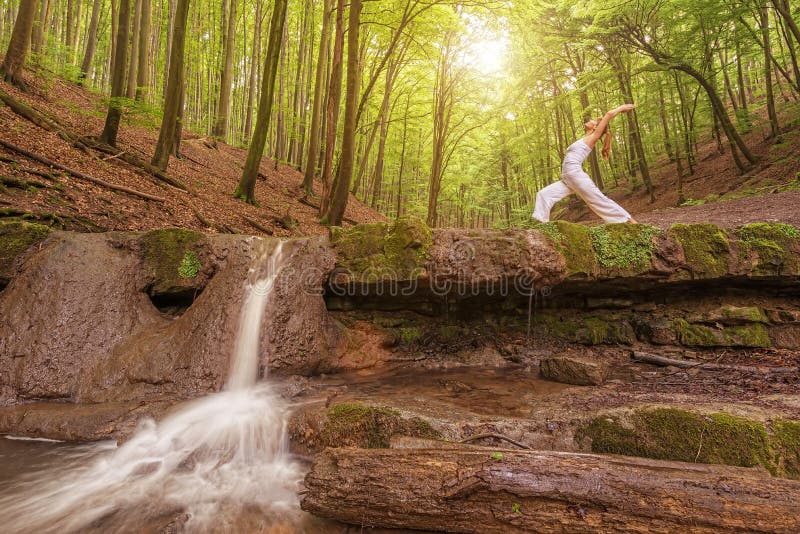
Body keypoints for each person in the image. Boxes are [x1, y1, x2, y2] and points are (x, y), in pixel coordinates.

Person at [533, 104, 638, 224]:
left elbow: (608, 114)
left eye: (593, 121)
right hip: (567, 179)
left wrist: (621, 108)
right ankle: (544, 226)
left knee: (598, 201)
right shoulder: (584, 138)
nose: (590, 120)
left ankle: (631, 222)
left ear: (595, 127)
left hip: (575, 175)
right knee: (544, 194)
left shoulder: (593, 137)